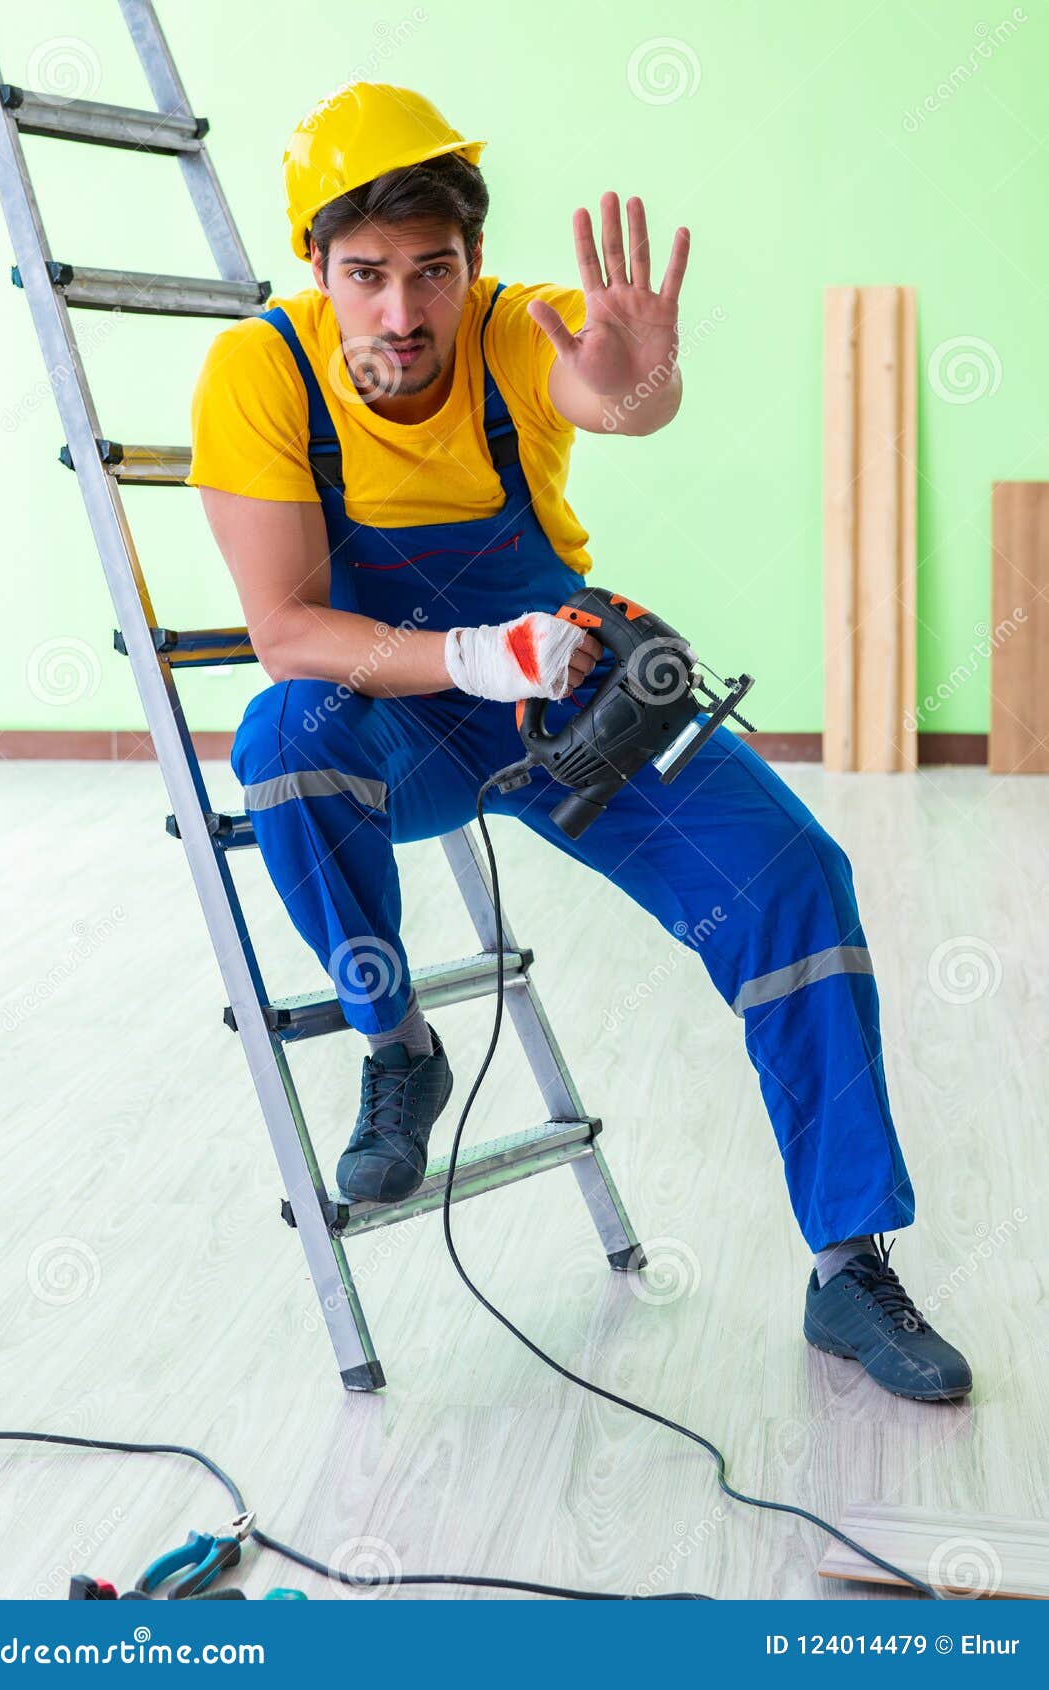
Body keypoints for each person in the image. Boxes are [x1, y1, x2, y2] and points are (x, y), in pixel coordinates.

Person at [187, 82, 972, 1403]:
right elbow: (286, 627)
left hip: (567, 700)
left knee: (795, 882)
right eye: (366, 274)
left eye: (431, 272)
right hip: (394, 714)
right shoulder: (259, 370)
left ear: (472, 266)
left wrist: (638, 373)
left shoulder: (514, 331)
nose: (401, 312)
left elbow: (615, 398)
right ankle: (399, 1050)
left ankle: (849, 1264)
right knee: (283, 737)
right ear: (316, 267)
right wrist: (463, 659)